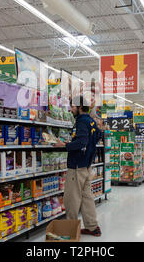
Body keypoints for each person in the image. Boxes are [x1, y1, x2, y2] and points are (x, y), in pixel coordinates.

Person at [54, 96, 102, 236]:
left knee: (71, 199)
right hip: (87, 166)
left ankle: (71, 230)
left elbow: (82, 142)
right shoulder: (91, 121)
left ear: (80, 107)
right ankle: (92, 227)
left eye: (72, 107)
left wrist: (65, 145)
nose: (70, 109)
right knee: (87, 198)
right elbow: (98, 135)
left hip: (77, 166)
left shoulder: (81, 122)